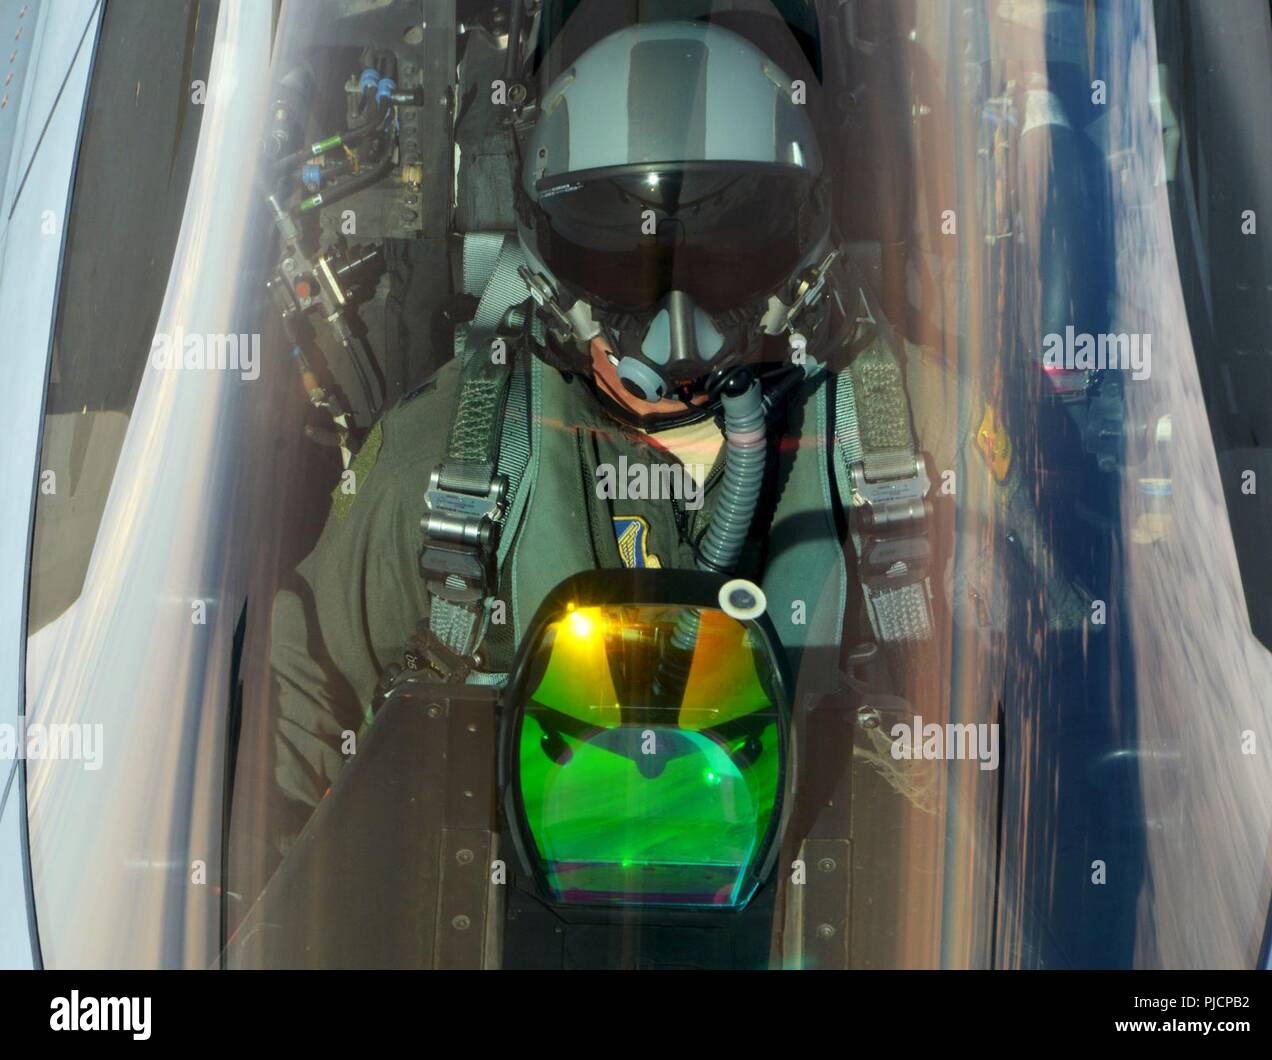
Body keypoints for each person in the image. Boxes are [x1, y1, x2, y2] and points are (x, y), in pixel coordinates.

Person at [269, 17, 937, 825]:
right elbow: (295, 711)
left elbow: (1061, 694)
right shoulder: (455, 459)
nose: (677, 331)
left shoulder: (907, 435)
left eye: (721, 257)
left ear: (799, 250)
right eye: (627, 265)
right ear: (546, 262)